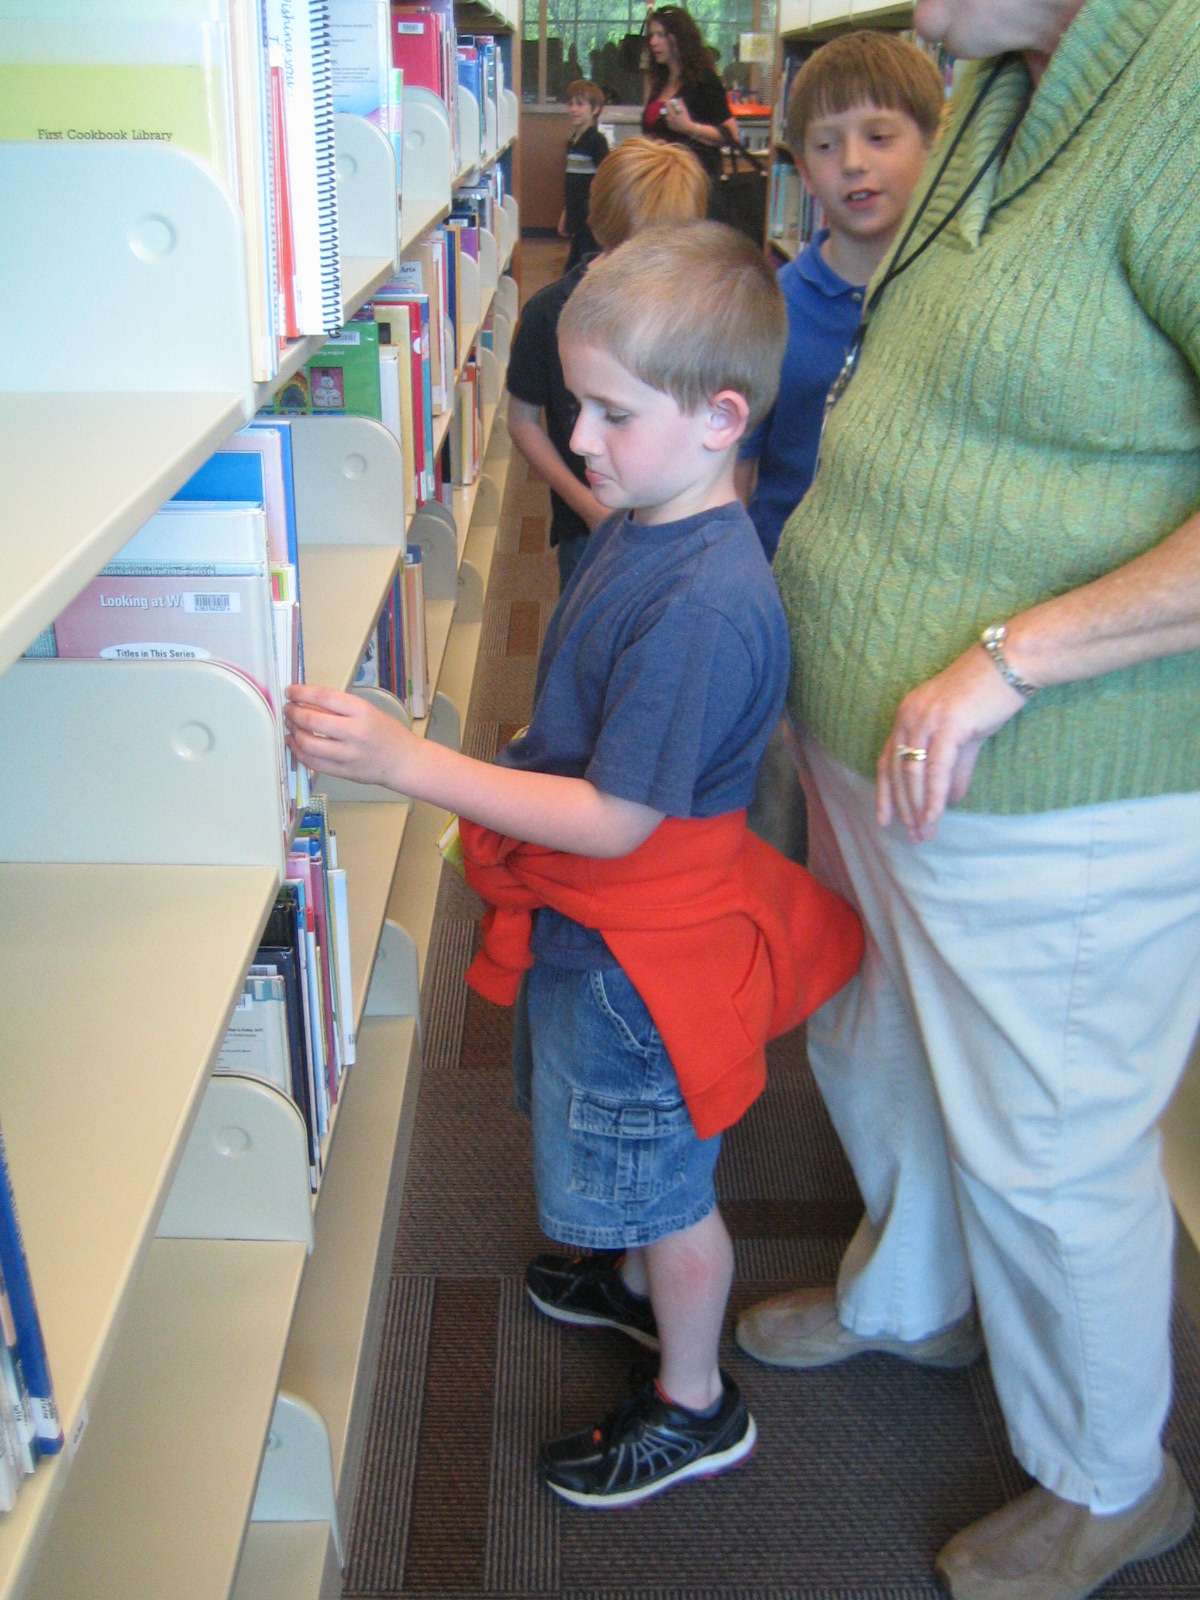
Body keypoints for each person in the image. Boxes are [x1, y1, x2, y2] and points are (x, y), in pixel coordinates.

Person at [285, 222, 863, 1509]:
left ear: (721, 418)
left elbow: (615, 819)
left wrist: (412, 761)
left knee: (667, 1183)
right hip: (591, 935)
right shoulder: (645, 526)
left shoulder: (705, 600)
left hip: (639, 947)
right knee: (603, 1131)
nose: (578, 440)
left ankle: (695, 1399)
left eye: (609, 412)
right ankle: (628, 1278)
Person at [738, 0, 1200, 1595]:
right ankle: (912, 1295)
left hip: (1055, 772)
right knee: (876, 1034)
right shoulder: (1000, 84)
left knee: (1050, 1133)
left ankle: (1109, 1479)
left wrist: (1016, 657)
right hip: (873, 740)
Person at [734, 31, 945, 563]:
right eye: (827, 145)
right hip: (786, 575)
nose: (853, 162)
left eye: (879, 137)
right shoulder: (772, 310)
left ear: (933, 148)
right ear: (802, 171)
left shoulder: (958, 302)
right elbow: (736, 475)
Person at [506, 138, 708, 592]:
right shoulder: (550, 310)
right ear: (602, 228)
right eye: (635, 250)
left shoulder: (690, 311)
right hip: (590, 525)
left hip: (672, 520)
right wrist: (585, 505)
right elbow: (521, 421)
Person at [641, 6, 738, 181]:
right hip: (660, 180)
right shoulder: (661, 82)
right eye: (651, 35)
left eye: (661, 35)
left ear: (680, 38)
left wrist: (689, 128)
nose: (653, 42)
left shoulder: (703, 80)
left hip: (692, 182)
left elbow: (731, 135)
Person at [557, 78, 609, 272]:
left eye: (580, 104)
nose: (573, 109)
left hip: (590, 220)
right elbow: (572, 185)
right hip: (577, 217)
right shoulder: (573, 142)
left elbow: (605, 177)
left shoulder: (596, 141)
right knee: (575, 266)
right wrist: (566, 212)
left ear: (595, 109)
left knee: (582, 267)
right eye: (571, 104)